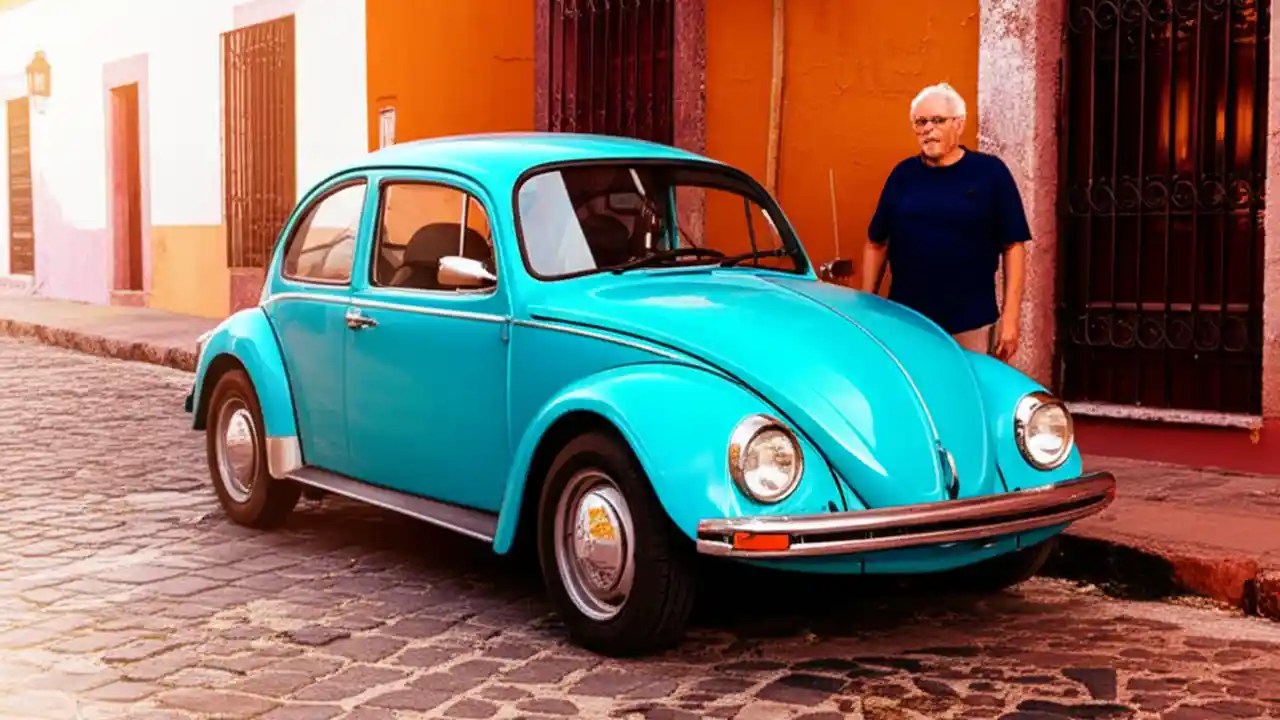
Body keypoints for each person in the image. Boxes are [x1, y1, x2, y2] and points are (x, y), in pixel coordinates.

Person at [862, 82, 1031, 361]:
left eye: (938, 120)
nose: (928, 129)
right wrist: (867, 306)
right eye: (921, 122)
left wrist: (1011, 318)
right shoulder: (903, 176)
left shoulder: (990, 173)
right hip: (907, 323)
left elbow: (1013, 246)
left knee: (968, 387)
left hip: (972, 325)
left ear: (959, 124)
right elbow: (876, 243)